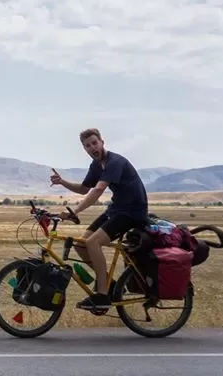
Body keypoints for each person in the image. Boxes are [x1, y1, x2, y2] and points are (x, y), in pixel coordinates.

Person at [49, 127, 149, 312]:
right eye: (88, 146)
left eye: (95, 143)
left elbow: (97, 190)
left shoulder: (115, 162)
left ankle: (102, 296)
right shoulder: (96, 166)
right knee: (81, 245)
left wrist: (75, 211)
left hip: (132, 212)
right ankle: (109, 285)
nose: (92, 148)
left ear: (102, 142)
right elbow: (84, 188)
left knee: (93, 243)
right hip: (116, 209)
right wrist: (62, 181)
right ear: (84, 149)